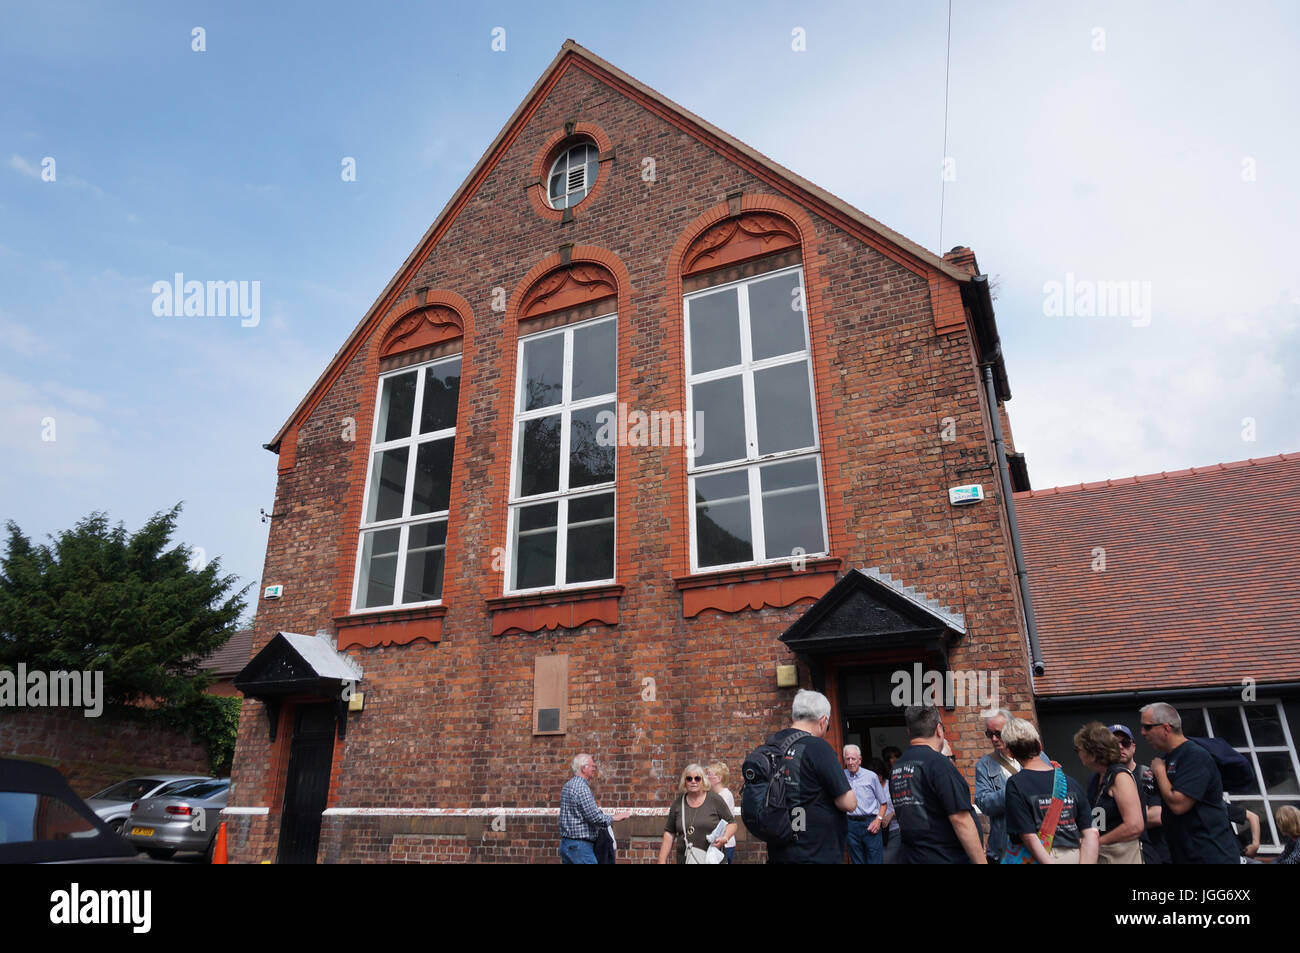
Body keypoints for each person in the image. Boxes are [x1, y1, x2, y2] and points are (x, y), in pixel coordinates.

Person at [764, 689, 857, 864]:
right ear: (822, 721)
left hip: (779, 849)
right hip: (814, 851)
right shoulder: (817, 746)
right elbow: (848, 803)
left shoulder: (772, 744)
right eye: (828, 727)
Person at [1140, 702, 1240, 864]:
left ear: (1166, 728)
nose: (1143, 732)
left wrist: (1159, 773)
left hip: (1210, 855)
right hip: (1183, 854)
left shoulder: (1194, 755)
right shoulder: (1168, 758)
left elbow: (1179, 805)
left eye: (1147, 727)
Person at [888, 705, 987, 864]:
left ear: (909, 732)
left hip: (913, 856)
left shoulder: (898, 768)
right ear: (939, 730)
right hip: (944, 856)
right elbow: (960, 819)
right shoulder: (938, 764)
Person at [1002, 717, 1098, 863]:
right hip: (1075, 855)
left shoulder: (1015, 784)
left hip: (1040, 858)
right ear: (1039, 745)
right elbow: (1091, 832)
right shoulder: (1069, 782)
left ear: (1009, 752)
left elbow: (1028, 836)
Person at [975, 708, 1047, 863]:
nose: (994, 739)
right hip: (1005, 847)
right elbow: (984, 802)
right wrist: (1014, 789)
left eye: (998, 733)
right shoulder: (984, 765)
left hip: (1042, 842)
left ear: (1010, 729)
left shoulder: (1040, 758)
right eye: (989, 734)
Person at [1075, 722, 1144, 863]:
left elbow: (1134, 825)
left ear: (1093, 754)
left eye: (1079, 750)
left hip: (1122, 855)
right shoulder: (1097, 778)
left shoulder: (1120, 777)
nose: (1078, 754)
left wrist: (1098, 842)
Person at [1112, 723, 1170, 864]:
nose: (1120, 747)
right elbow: (1097, 819)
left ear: (1133, 747)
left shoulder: (1147, 775)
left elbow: (1157, 815)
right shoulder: (1100, 779)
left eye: (1125, 743)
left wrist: (1117, 820)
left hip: (1153, 852)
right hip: (1118, 854)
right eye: (1114, 743)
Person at [659, 762, 737, 864]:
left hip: (712, 859)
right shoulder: (678, 804)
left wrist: (725, 838)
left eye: (697, 778)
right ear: (684, 781)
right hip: (686, 859)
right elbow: (669, 832)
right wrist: (661, 860)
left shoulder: (714, 799)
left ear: (703, 781)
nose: (693, 781)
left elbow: (732, 823)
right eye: (689, 779)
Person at [559, 753, 629, 864]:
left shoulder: (567, 785)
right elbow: (594, 818)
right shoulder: (582, 788)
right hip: (580, 848)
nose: (594, 769)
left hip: (566, 845)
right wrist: (614, 818)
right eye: (592, 766)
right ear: (583, 768)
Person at [842, 744, 889, 863]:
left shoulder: (871, 776)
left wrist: (878, 820)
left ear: (860, 759)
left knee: (875, 861)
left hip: (870, 823)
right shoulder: (841, 776)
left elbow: (884, 803)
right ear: (844, 760)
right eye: (848, 759)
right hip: (850, 824)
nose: (851, 762)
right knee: (857, 861)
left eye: (854, 758)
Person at [869, 756, 902, 863]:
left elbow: (903, 806)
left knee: (887, 860)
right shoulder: (868, 787)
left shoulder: (891, 785)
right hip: (876, 832)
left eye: (878, 775)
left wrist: (891, 815)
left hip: (894, 830)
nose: (876, 778)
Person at [705, 761, 737, 864]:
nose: (706, 776)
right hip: (716, 843)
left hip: (724, 844)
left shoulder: (725, 795)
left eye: (709, 774)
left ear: (719, 779)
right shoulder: (714, 795)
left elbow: (724, 822)